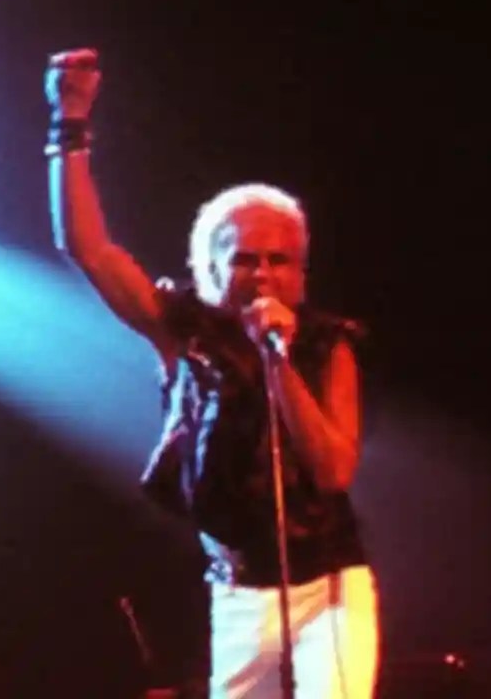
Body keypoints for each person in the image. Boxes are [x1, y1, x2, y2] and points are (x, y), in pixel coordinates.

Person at [45, 48, 380, 698]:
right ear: (211, 266)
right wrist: (71, 121)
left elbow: (333, 470)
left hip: (330, 587)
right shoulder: (182, 333)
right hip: (239, 593)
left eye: (281, 261)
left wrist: (276, 357)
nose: (264, 274)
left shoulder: (326, 346)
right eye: (246, 259)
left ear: (302, 272)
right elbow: (88, 249)